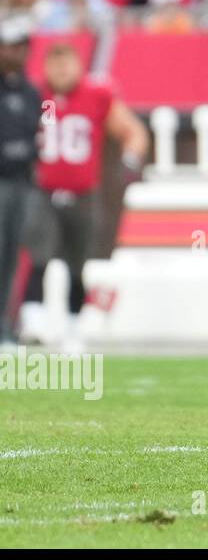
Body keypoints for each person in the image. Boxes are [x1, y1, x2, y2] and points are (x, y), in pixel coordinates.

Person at [19, 44, 148, 350]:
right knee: (39, 256)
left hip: (83, 193)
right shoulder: (33, 96)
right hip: (43, 190)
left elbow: (134, 132)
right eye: (55, 64)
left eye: (67, 64)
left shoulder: (97, 95)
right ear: (46, 67)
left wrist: (130, 162)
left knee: (78, 265)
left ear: (79, 66)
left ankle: (73, 328)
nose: (61, 71)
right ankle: (33, 322)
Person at [0, 16, 41, 348]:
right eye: (10, 46)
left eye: (20, 46)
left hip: (22, 182)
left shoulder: (31, 92)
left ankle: (7, 324)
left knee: (13, 256)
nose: (15, 52)